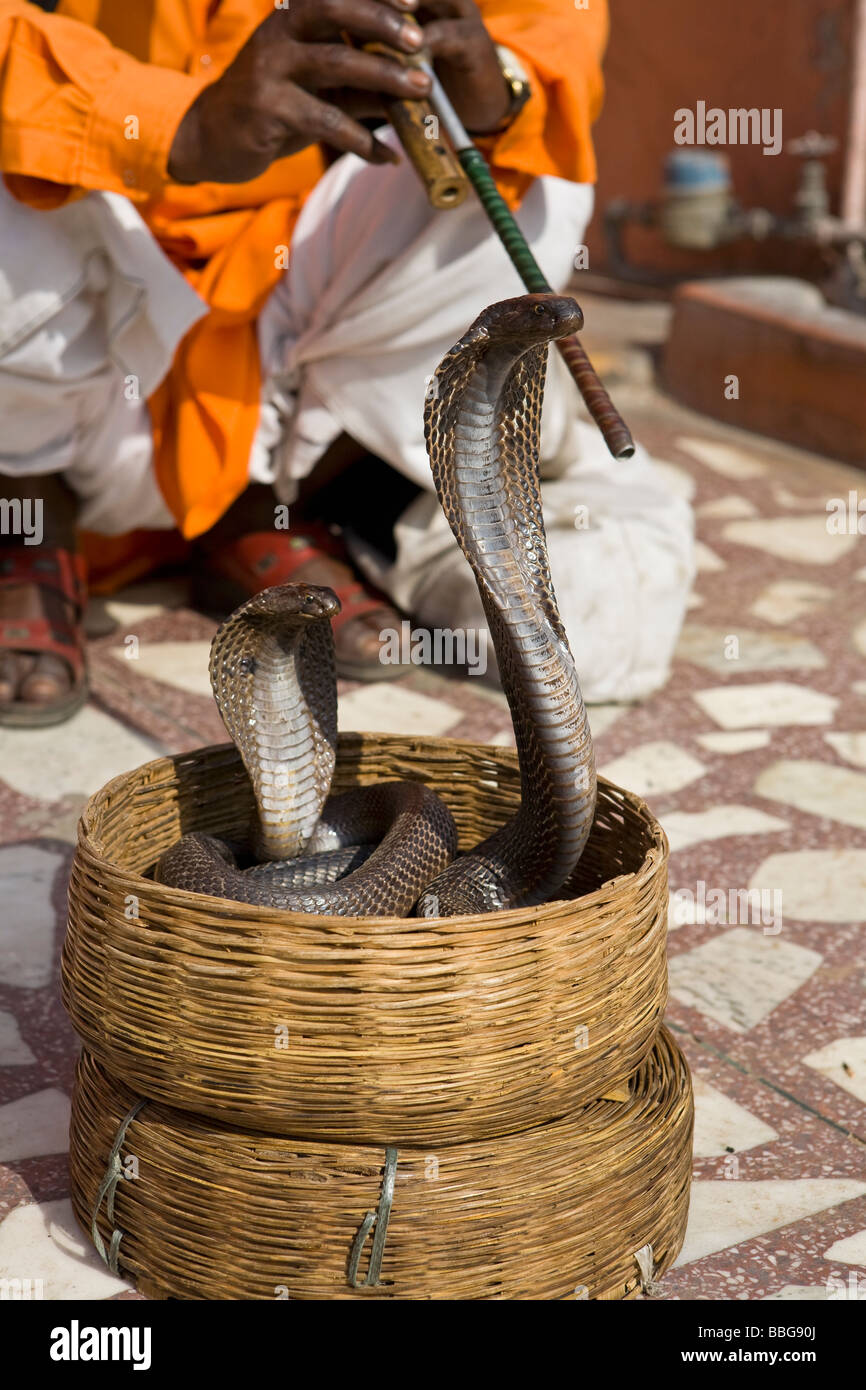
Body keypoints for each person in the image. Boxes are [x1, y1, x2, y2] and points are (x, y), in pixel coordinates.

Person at [0, 0, 693, 725]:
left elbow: (545, 35)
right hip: (83, 280)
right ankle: (29, 522)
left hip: (285, 316)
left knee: (531, 168)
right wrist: (181, 123)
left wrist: (498, 87)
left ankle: (261, 508)